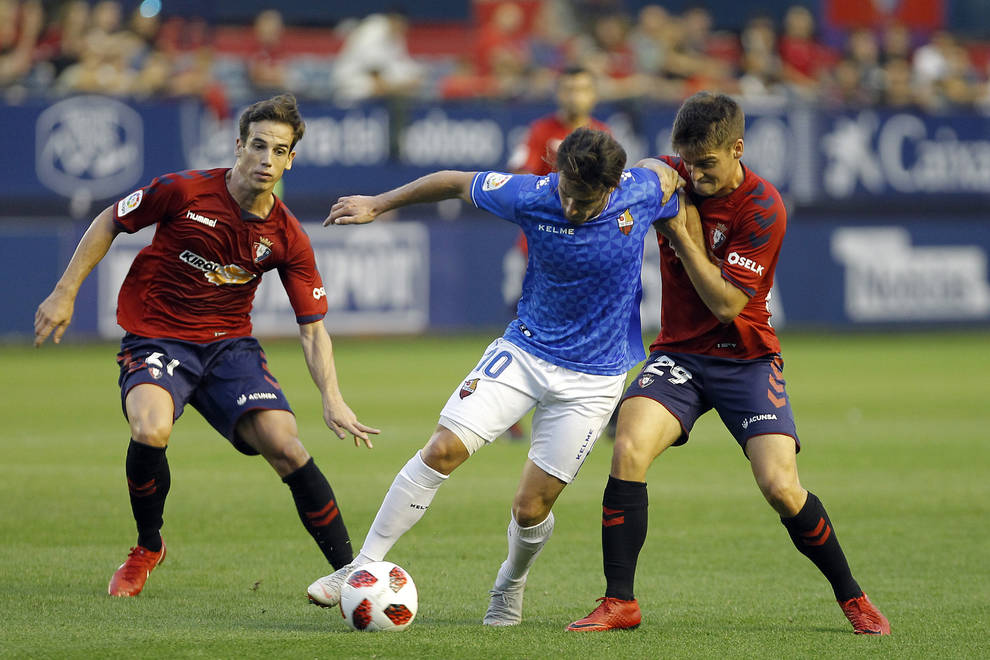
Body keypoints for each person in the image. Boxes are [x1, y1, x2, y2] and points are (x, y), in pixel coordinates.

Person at [306, 127, 682, 627]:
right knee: (441, 449)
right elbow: (453, 181)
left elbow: (675, 174)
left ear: (613, 188)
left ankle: (510, 584)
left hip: (593, 379)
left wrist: (673, 188)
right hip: (524, 352)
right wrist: (379, 202)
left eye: (585, 200)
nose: (571, 206)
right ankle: (361, 565)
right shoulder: (534, 194)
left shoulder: (641, 191)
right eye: (566, 192)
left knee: (530, 508)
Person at [567, 92, 891, 635]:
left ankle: (852, 597)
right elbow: (645, 168)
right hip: (679, 354)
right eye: (687, 162)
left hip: (746, 358)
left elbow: (724, 305)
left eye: (707, 163)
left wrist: (680, 232)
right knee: (629, 446)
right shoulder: (677, 173)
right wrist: (654, 171)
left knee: (780, 487)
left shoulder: (763, 207)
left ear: (737, 149)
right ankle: (620, 601)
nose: (695, 174)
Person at [33, 93, 379, 598]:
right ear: (239, 146)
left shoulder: (287, 236)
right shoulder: (183, 191)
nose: (266, 159)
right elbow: (111, 219)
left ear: (290, 160)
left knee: (286, 446)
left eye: (279, 150)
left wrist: (333, 397)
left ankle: (351, 575)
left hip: (228, 349)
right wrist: (65, 292)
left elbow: (312, 328)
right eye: (258, 145)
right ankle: (148, 546)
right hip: (156, 335)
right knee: (150, 428)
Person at [502, 66, 609, 442]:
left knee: (592, 328)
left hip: (586, 253)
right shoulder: (540, 132)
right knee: (523, 323)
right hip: (538, 251)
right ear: (558, 93)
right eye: (569, 88)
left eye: (582, 88)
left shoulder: (603, 135)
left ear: (593, 94)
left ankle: (597, 406)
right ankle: (506, 406)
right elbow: (518, 181)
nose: (575, 95)